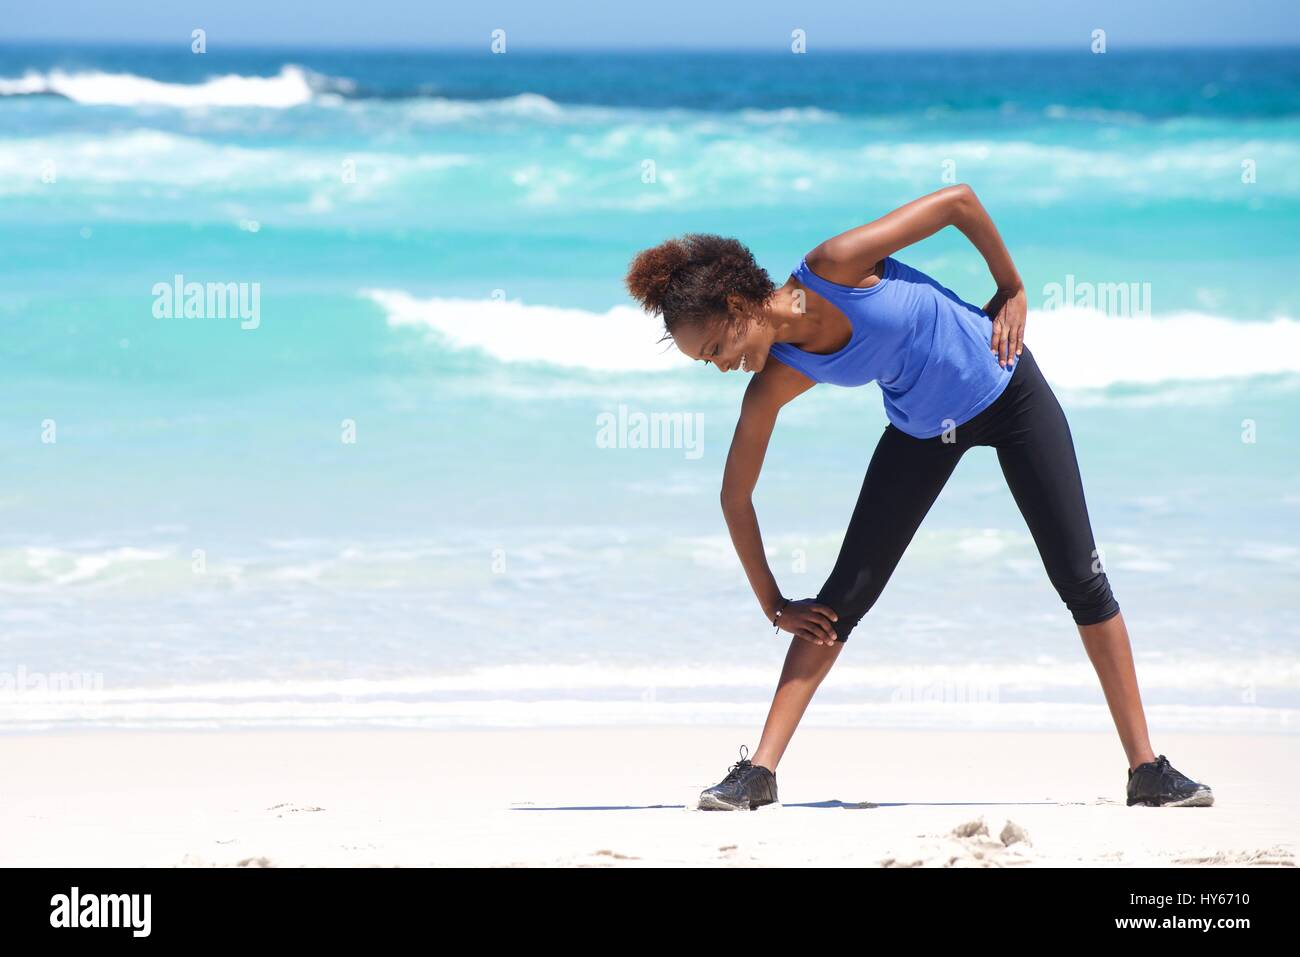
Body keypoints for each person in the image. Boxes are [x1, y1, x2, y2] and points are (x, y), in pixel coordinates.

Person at [624, 185, 1214, 810]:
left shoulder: (834, 266)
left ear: (739, 302)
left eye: (715, 348)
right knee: (842, 598)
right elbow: (734, 495)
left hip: (1009, 391)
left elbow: (958, 202)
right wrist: (773, 604)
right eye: (705, 361)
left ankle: (1145, 769)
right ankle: (759, 774)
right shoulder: (778, 377)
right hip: (922, 430)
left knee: (1080, 577)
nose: (719, 366)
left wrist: (1011, 287)